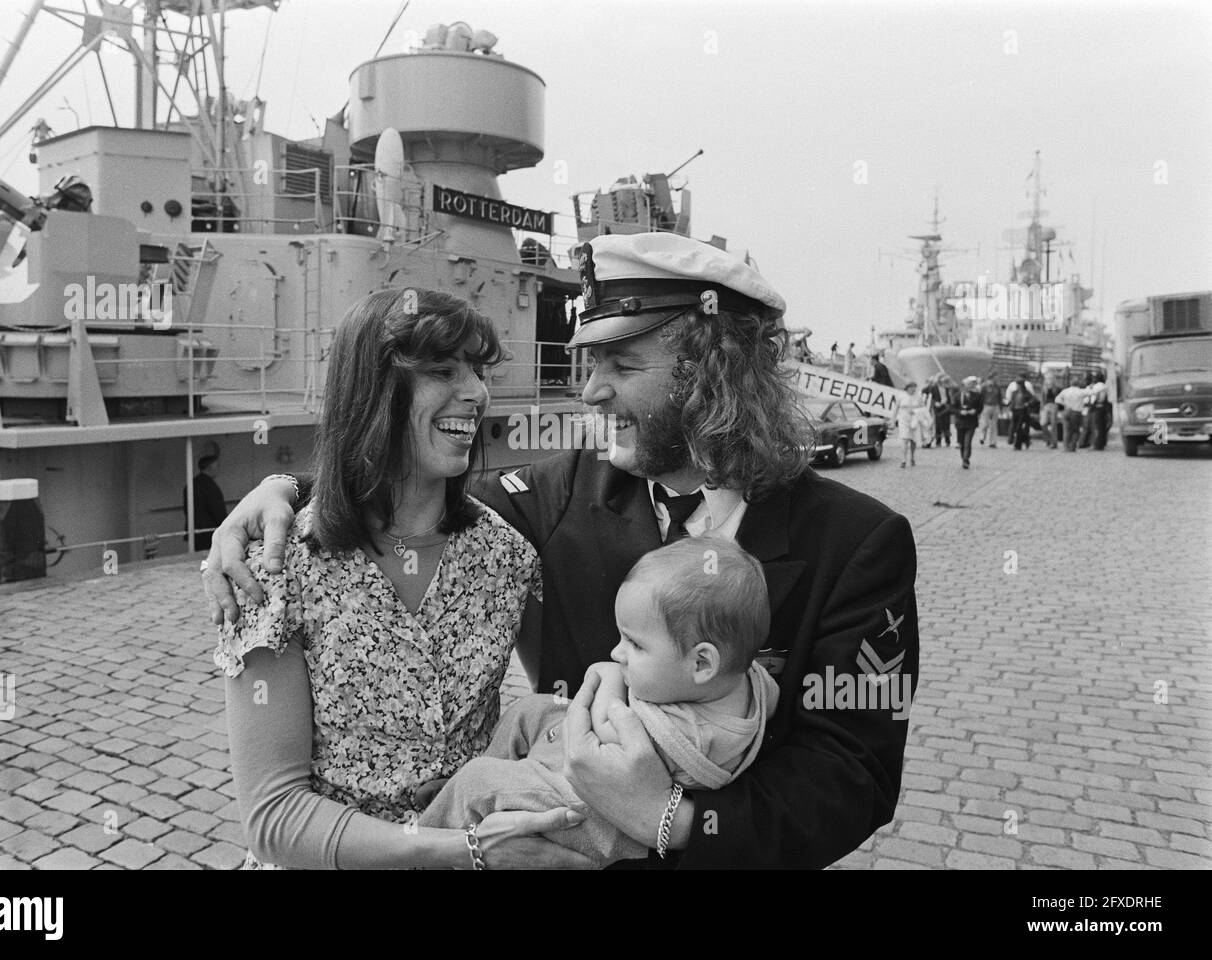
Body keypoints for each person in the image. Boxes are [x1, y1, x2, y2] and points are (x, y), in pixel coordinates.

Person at [205, 232, 920, 869]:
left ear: (712, 371)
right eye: (588, 361)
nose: (590, 392)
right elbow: (403, 492)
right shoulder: (553, 498)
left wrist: (672, 821)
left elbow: (853, 779)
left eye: (621, 363)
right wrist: (282, 490)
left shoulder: (858, 545)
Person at [214, 288, 597, 870]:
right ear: (373, 391)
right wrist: (462, 850)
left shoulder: (506, 556)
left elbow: (549, 722)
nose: (475, 394)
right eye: (442, 371)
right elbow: (274, 817)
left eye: (477, 370)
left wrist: (489, 779)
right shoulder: (278, 563)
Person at [419, 537, 779, 867]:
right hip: (586, 768)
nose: (617, 652)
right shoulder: (748, 682)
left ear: (701, 663)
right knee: (528, 711)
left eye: (635, 645)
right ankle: (471, 799)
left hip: (590, 809)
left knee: (476, 780)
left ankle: (425, 843)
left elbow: (605, 737)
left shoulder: (691, 735)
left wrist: (606, 675)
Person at [185, 455, 229, 552]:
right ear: (210, 467)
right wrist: (226, 526)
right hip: (209, 532)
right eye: (217, 466)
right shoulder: (210, 487)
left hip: (195, 531)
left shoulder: (192, 484)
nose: (218, 469)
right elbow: (218, 511)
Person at [954, 376, 982, 468]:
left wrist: (975, 411)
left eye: (970, 385)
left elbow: (980, 407)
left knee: (967, 442)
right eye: (967, 385)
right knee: (962, 442)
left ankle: (965, 459)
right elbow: (952, 408)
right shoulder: (957, 396)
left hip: (971, 422)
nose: (968, 387)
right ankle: (964, 457)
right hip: (960, 422)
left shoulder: (976, 395)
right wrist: (960, 412)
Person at [1055, 375, 1089, 452]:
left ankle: (1065, 446)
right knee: (1075, 430)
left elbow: (1057, 399)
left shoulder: (1065, 391)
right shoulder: (1080, 392)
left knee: (1066, 430)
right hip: (1076, 412)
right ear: (1078, 383)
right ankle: (1072, 447)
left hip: (1067, 411)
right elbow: (1091, 392)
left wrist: (1065, 404)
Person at [895, 381, 924, 467]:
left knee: (913, 440)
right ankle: (903, 459)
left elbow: (923, 408)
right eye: (911, 388)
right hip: (903, 419)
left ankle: (912, 457)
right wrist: (893, 420)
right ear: (907, 388)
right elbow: (896, 408)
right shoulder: (901, 396)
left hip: (914, 420)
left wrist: (916, 411)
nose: (913, 389)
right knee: (904, 439)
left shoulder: (918, 397)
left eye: (914, 388)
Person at [1007, 375, 1033, 450]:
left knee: (1019, 427)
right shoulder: (1014, 393)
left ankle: (1017, 445)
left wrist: (1027, 404)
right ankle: (1026, 439)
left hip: (1022, 411)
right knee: (1015, 428)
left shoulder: (1026, 393)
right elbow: (1012, 402)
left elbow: (1033, 399)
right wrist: (1010, 409)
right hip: (1015, 411)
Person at [977, 375, 1001, 447]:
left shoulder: (997, 387)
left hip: (995, 406)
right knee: (985, 423)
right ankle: (982, 436)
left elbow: (999, 397)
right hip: (986, 406)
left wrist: (1001, 406)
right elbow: (980, 397)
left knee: (994, 425)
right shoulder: (984, 387)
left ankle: (992, 442)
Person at [1039, 372, 1061, 448]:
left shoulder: (1057, 388)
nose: (1049, 380)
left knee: (1053, 425)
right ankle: (1048, 439)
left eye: (1051, 378)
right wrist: (1041, 409)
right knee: (1043, 423)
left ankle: (1054, 443)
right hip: (1045, 406)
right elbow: (1042, 399)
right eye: (1048, 378)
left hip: (1054, 406)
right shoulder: (1043, 388)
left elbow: (1059, 399)